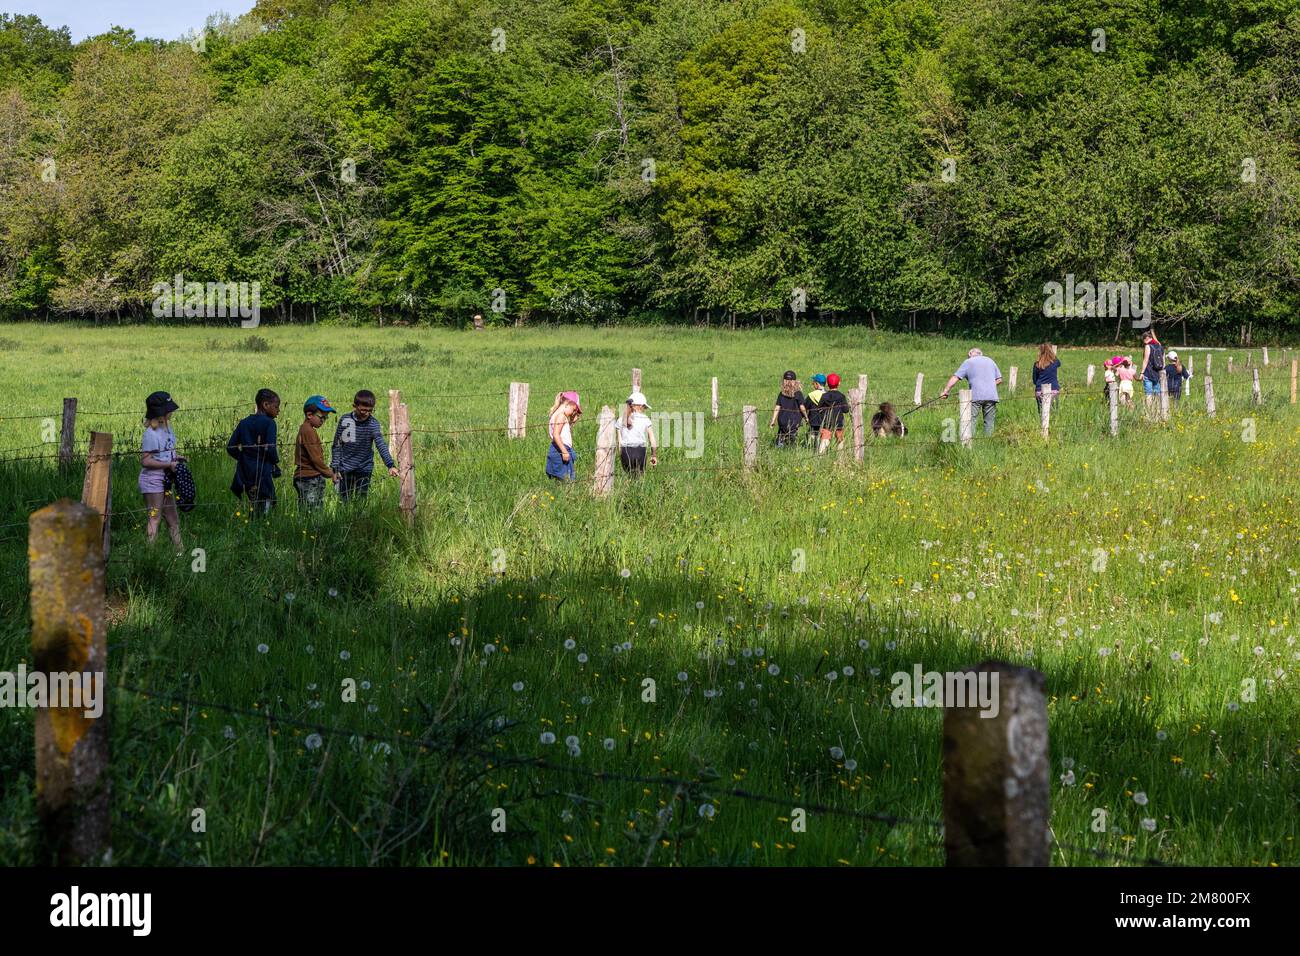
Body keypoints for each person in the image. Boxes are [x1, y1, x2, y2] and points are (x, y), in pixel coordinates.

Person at [330, 389, 398, 501]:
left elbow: (380, 444)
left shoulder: (373, 424)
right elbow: (337, 445)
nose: (366, 413)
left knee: (361, 500)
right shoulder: (345, 420)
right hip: (345, 468)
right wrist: (335, 468)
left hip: (364, 469)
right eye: (362, 410)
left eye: (370, 411)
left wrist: (390, 465)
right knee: (344, 500)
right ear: (354, 406)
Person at [140, 391, 184, 549]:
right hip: (153, 481)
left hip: (166, 479)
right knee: (155, 517)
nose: (171, 412)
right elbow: (145, 460)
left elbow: (164, 453)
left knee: (173, 518)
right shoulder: (151, 434)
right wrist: (168, 465)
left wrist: (176, 458)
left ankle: (180, 554)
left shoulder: (167, 429)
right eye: (168, 409)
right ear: (160, 412)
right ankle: (150, 554)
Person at [227, 388, 281, 514]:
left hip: (246, 470)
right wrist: (275, 462)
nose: (278, 411)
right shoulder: (270, 423)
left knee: (253, 500)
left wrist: (243, 457)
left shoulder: (244, 423)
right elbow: (271, 447)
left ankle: (254, 524)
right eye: (276, 407)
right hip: (263, 469)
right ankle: (263, 525)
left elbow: (230, 447)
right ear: (266, 405)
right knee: (267, 501)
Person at [940, 348, 1003, 436]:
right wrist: (989, 385)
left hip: (976, 396)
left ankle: (969, 441)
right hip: (991, 396)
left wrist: (945, 391)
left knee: (970, 420)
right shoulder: (990, 361)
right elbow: (999, 379)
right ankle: (987, 440)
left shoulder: (968, 362)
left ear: (970, 354)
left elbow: (955, 377)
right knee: (989, 422)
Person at [294, 395, 337, 509]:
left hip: (311, 476)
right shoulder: (308, 431)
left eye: (326, 418)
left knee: (311, 509)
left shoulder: (307, 429)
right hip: (308, 478)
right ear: (309, 415)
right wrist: (330, 473)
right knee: (312, 510)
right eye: (322, 417)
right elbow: (315, 458)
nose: (323, 421)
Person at [616, 391, 657, 474]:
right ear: (641, 406)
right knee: (639, 478)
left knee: (628, 476)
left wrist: (622, 455)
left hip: (626, 451)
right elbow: (652, 439)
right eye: (644, 408)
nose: (644, 410)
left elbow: (619, 443)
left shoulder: (620, 420)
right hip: (640, 451)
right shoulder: (645, 419)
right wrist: (654, 455)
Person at [546, 391, 582, 481]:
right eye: (574, 410)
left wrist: (571, 422)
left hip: (558, 447)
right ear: (568, 404)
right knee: (566, 479)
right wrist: (564, 451)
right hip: (560, 449)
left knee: (563, 479)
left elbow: (563, 432)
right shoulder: (561, 416)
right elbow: (556, 435)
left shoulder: (556, 414)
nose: (573, 413)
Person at [769, 370, 806, 447]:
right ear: (795, 381)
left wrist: (773, 421)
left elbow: (777, 408)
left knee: (781, 437)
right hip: (794, 422)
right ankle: (791, 449)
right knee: (792, 440)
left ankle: (779, 447)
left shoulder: (781, 393)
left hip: (782, 422)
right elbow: (802, 407)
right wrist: (806, 417)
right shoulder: (798, 393)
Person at [817, 373, 850, 453]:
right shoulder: (841, 396)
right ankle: (840, 456)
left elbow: (819, 408)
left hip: (826, 422)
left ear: (827, 384)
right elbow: (846, 410)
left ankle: (820, 455)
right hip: (838, 422)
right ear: (839, 383)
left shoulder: (824, 396)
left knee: (825, 439)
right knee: (840, 440)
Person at [1140, 329, 1165, 417]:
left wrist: (1142, 373)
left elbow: (1145, 360)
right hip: (1157, 373)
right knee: (1157, 393)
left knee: (1149, 394)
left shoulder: (1148, 346)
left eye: (1143, 340)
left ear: (1146, 338)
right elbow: (1163, 360)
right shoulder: (1159, 346)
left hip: (1148, 373)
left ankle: (1150, 412)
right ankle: (1158, 411)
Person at [1031, 343, 1061, 414]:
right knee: (1054, 412)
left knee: (1041, 412)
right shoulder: (1055, 362)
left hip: (1039, 391)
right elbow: (1059, 363)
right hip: (1054, 390)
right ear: (1051, 351)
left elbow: (1035, 380)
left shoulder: (1037, 364)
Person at [805, 374, 827, 448]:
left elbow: (805, 407)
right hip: (824, 421)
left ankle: (812, 448)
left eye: (813, 383)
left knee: (811, 435)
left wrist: (806, 417)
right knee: (821, 437)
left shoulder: (811, 395)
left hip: (813, 421)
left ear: (817, 384)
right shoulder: (827, 395)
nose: (812, 384)